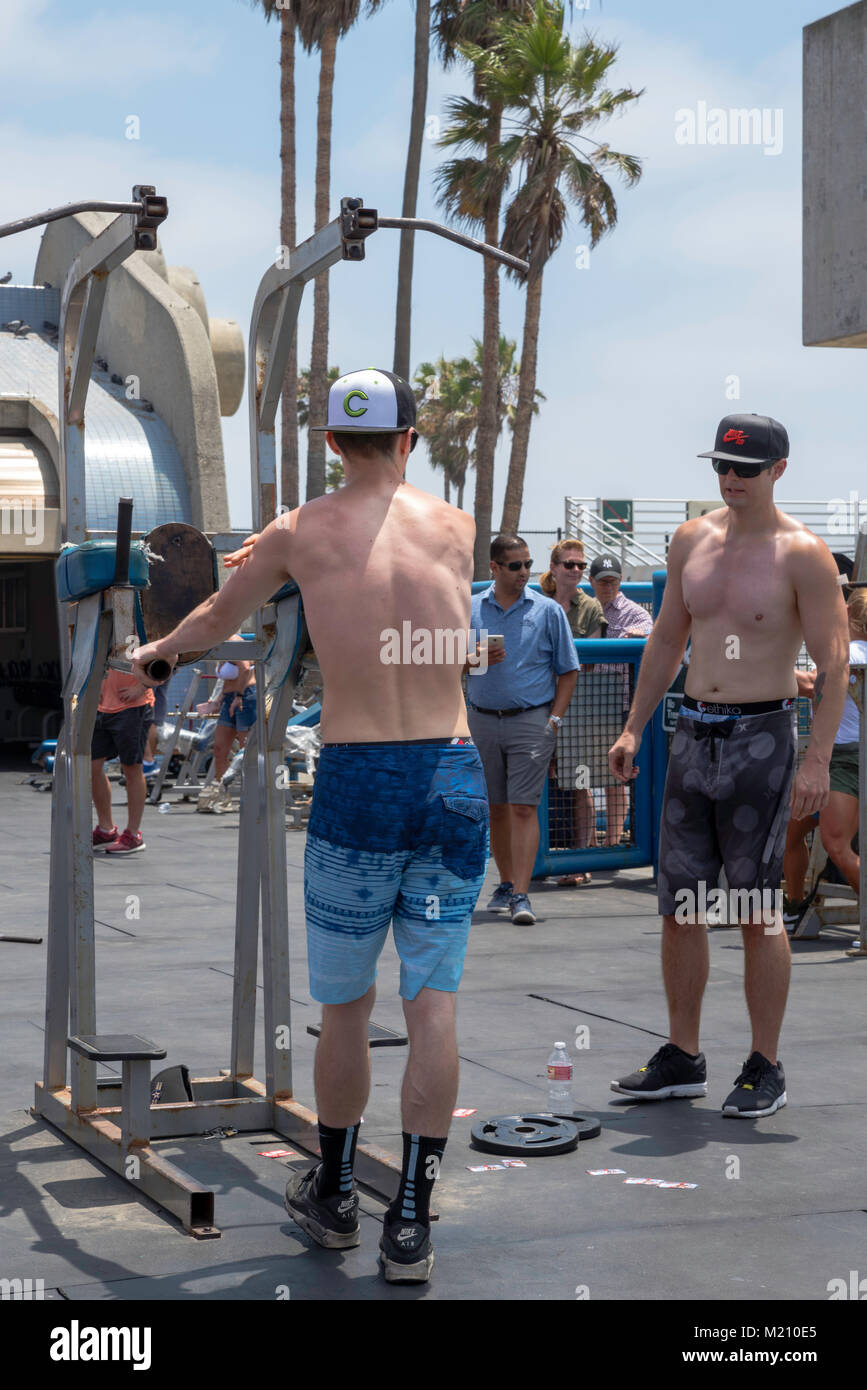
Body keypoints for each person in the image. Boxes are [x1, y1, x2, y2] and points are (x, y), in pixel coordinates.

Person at [131, 366, 487, 1284]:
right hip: (452, 775)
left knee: (344, 1008)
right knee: (431, 1002)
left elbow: (215, 614)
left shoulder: (300, 531)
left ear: (331, 442)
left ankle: (330, 1194)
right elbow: (431, 617)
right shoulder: (457, 527)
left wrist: (155, 654)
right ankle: (410, 1217)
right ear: (408, 439)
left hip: (363, 780)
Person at [608, 413, 849, 1118]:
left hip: (762, 738)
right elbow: (664, 640)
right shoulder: (692, 539)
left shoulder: (802, 554)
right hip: (692, 732)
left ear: (777, 469)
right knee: (680, 908)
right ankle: (682, 1057)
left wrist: (815, 761)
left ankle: (764, 1065)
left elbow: (832, 666)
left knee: (753, 910)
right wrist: (631, 727)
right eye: (721, 465)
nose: (730, 478)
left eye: (745, 467)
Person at [466, 534, 579, 924]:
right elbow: (451, 666)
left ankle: (521, 894)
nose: (524, 572)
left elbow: (569, 670)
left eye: (528, 564)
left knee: (522, 807)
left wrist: (554, 720)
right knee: (495, 809)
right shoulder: (470, 609)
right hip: (481, 719)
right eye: (515, 566)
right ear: (494, 568)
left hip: (532, 720)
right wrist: (472, 659)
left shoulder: (548, 611)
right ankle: (505, 881)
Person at [783, 588, 867, 922]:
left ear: (848, 613)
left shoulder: (851, 655)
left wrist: (751, 664)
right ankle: (794, 904)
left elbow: (808, 684)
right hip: (833, 760)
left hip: (849, 760)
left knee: (837, 846)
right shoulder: (844, 652)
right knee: (790, 832)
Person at [539, 539, 605, 885]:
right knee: (532, 784)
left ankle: (581, 860)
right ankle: (533, 860)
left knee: (580, 784)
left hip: (576, 711)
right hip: (535, 708)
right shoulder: (535, 603)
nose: (576, 570)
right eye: (569, 565)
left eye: (580, 565)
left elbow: (590, 663)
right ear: (554, 568)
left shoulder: (591, 607)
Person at [589, 553, 653, 847]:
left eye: (612, 580)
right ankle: (587, 842)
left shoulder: (634, 612)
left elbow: (649, 633)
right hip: (585, 702)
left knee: (616, 775)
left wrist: (640, 636)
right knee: (582, 775)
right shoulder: (583, 609)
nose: (607, 586)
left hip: (621, 704)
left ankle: (612, 843)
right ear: (592, 582)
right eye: (602, 581)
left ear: (620, 581)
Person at [91, 669, 155, 854]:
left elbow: (170, 658)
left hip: (133, 706)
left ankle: (133, 835)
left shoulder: (142, 637)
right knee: (91, 767)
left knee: (131, 768)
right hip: (101, 705)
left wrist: (143, 686)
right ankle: (106, 830)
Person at [195, 638, 257, 811]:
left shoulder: (235, 642)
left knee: (247, 750)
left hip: (245, 697)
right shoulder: (221, 644)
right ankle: (223, 795)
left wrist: (238, 696)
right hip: (229, 698)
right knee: (219, 749)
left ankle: (251, 795)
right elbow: (226, 680)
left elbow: (245, 669)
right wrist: (217, 701)